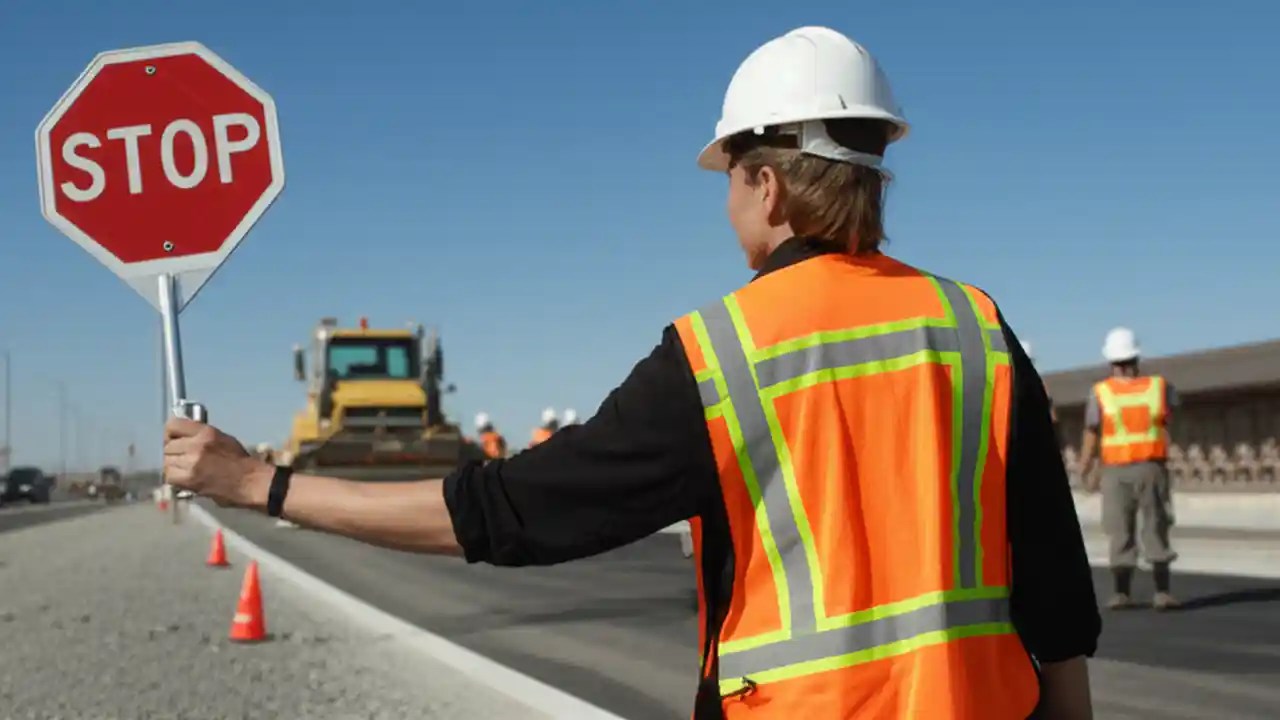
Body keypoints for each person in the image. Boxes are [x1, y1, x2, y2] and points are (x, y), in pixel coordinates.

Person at [163, 25, 1099, 719]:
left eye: (728, 177)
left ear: (764, 184)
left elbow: (509, 511)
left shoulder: (724, 352)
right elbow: (1054, 589)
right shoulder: (975, 327)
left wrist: (259, 483)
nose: (727, 202)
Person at [1078, 326, 1179, 611]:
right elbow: (1169, 420)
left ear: (1111, 361)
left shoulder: (1100, 392)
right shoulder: (1160, 387)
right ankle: (1162, 592)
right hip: (1151, 468)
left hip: (1117, 472)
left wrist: (1084, 468)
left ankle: (1122, 593)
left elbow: (1091, 432)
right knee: (1156, 526)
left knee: (1119, 530)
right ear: (1137, 357)